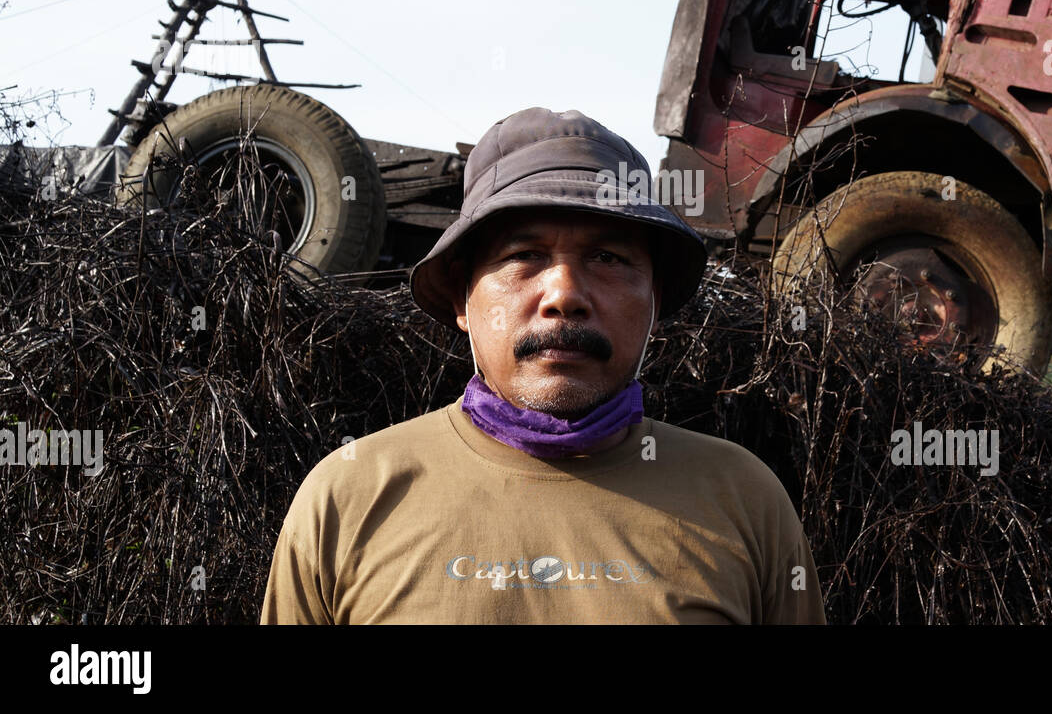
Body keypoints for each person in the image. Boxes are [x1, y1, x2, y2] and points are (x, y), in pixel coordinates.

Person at [260, 107, 826, 624]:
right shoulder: (349, 495)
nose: (565, 293)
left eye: (607, 258)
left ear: (654, 300)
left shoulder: (744, 499)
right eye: (523, 256)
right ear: (462, 300)